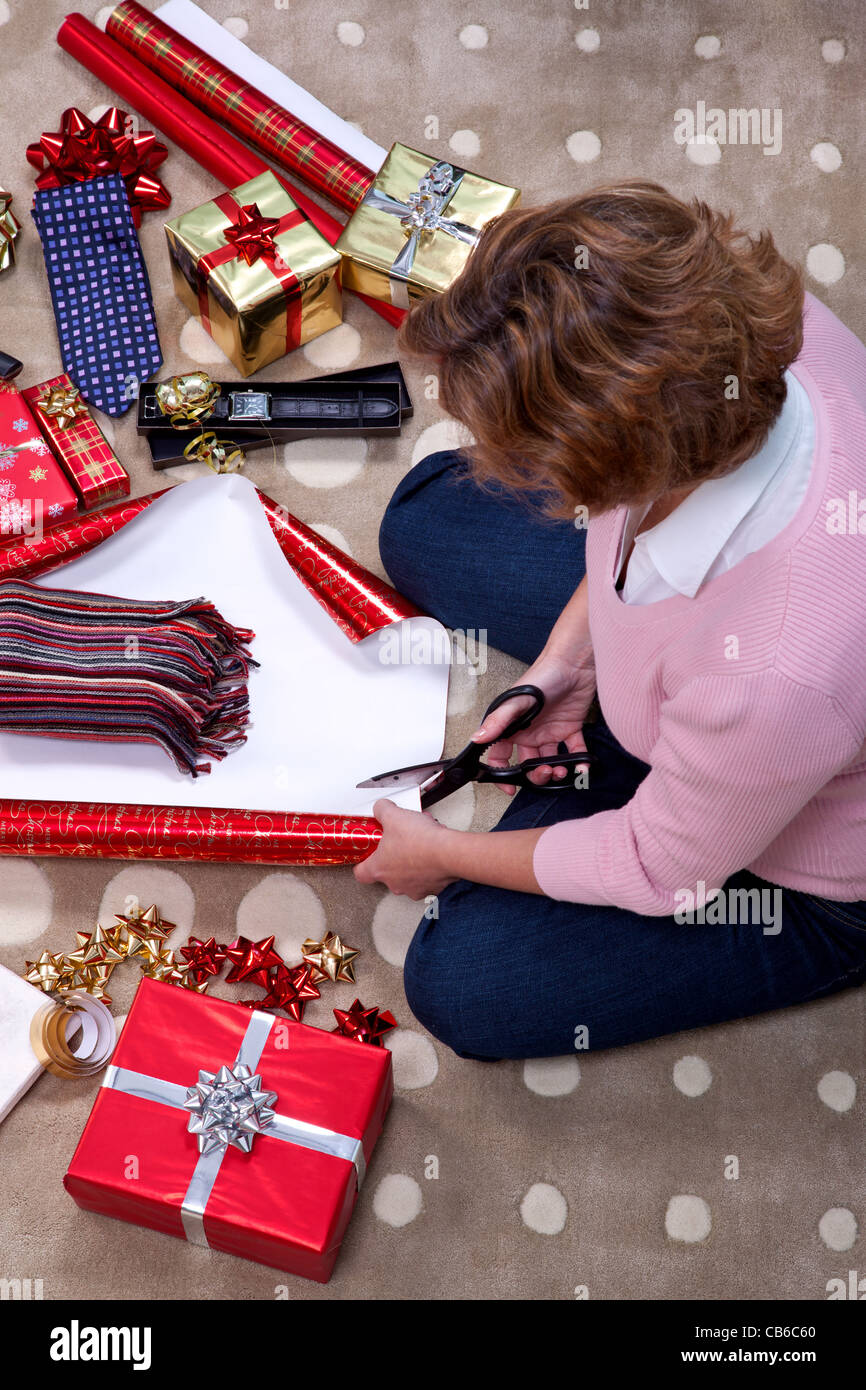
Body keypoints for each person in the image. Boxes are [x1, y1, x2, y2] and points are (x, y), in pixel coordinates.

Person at [355, 182, 866, 1060]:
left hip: (805, 857)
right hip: (709, 695)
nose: (497, 463)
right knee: (426, 517)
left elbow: (662, 869)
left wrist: (444, 853)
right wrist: (569, 665)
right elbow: (620, 534)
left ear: (618, 463)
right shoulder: (745, 320)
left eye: (530, 465)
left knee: (460, 979)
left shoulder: (777, 679)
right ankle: (631, 743)